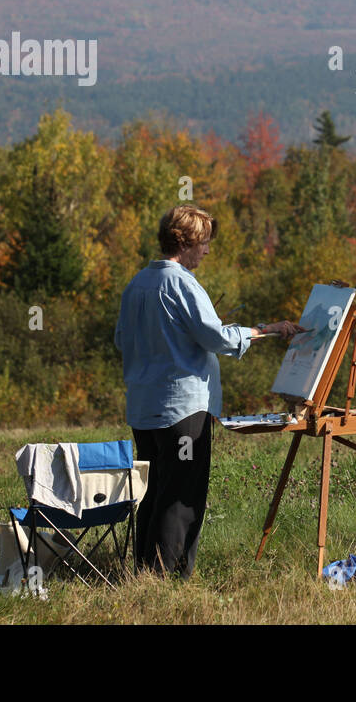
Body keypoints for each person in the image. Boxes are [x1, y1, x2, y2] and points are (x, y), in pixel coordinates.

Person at [114, 204, 307, 579]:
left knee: (153, 491)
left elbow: (123, 339)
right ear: (186, 241)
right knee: (181, 496)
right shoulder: (182, 283)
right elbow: (216, 337)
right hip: (182, 412)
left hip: (144, 409)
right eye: (204, 242)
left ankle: (143, 572)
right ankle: (164, 579)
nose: (207, 250)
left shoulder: (136, 283)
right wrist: (263, 329)